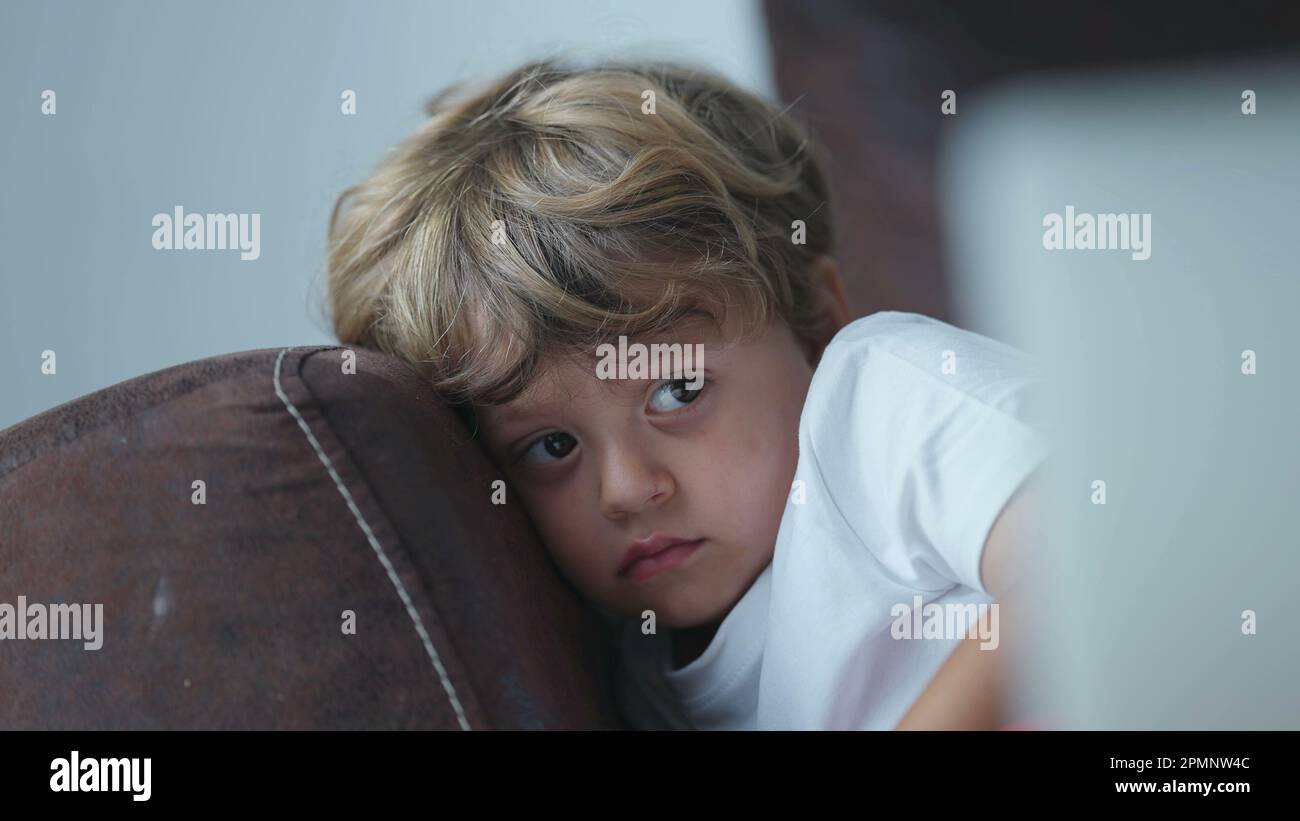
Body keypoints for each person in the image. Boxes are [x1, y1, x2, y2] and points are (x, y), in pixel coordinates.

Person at [325, 58, 1047, 729]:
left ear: (817, 323)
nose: (628, 490)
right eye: (551, 446)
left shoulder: (878, 399)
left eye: (677, 390)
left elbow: (1088, 557)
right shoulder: (632, 669)